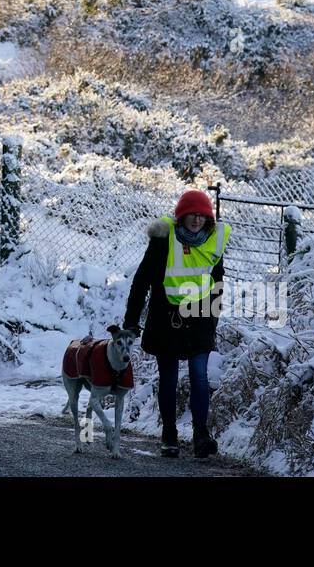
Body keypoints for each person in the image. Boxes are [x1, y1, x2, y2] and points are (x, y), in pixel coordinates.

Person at [123, 189, 230, 459]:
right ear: (181, 216)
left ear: (209, 219)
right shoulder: (163, 239)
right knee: (169, 376)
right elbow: (142, 281)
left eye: (202, 215)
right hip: (166, 317)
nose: (196, 220)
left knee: (199, 375)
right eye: (191, 215)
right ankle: (169, 434)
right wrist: (131, 321)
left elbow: (217, 280)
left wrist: (213, 316)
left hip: (201, 316)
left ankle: (200, 435)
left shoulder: (215, 241)